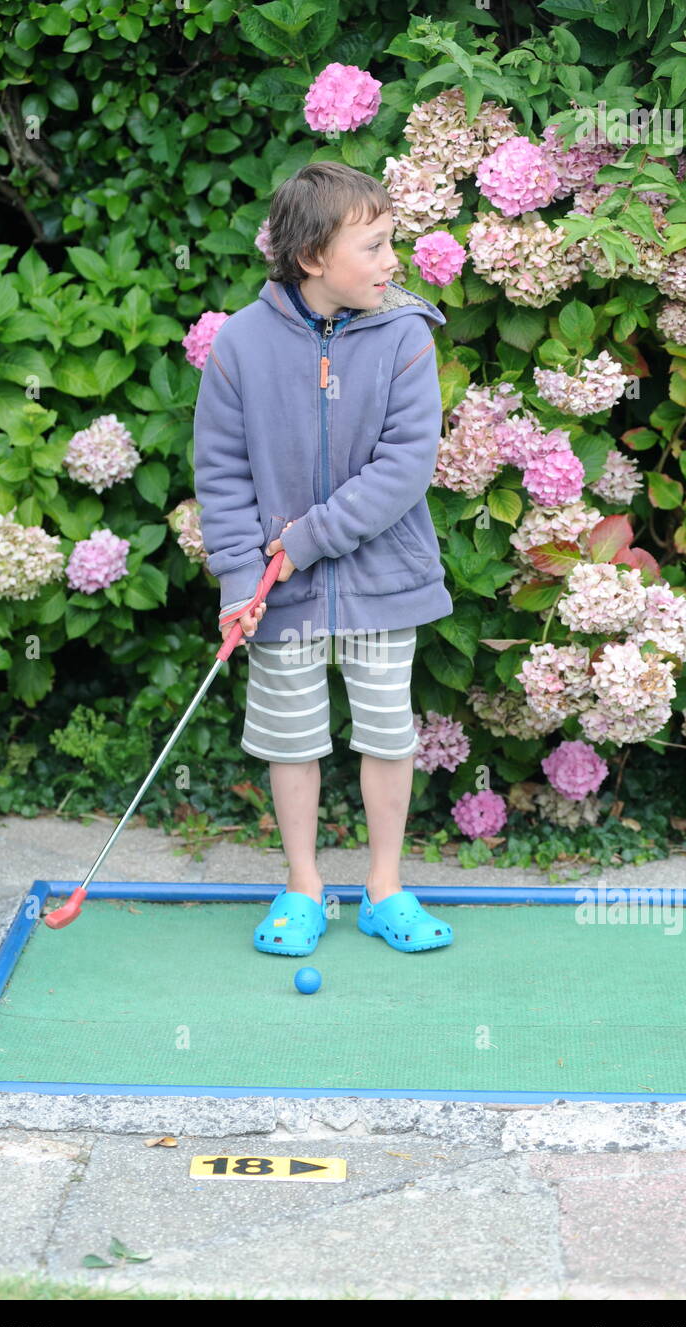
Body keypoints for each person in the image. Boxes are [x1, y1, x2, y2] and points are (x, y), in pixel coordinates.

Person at [192, 160, 455, 956]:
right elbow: (223, 474)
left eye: (391, 244)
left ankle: (384, 887)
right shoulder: (239, 344)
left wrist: (302, 542)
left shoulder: (406, 336)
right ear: (312, 259)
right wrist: (243, 579)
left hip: (382, 583)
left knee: (387, 734)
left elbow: (404, 467)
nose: (390, 261)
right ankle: (303, 885)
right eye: (372, 247)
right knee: (289, 738)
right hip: (277, 596)